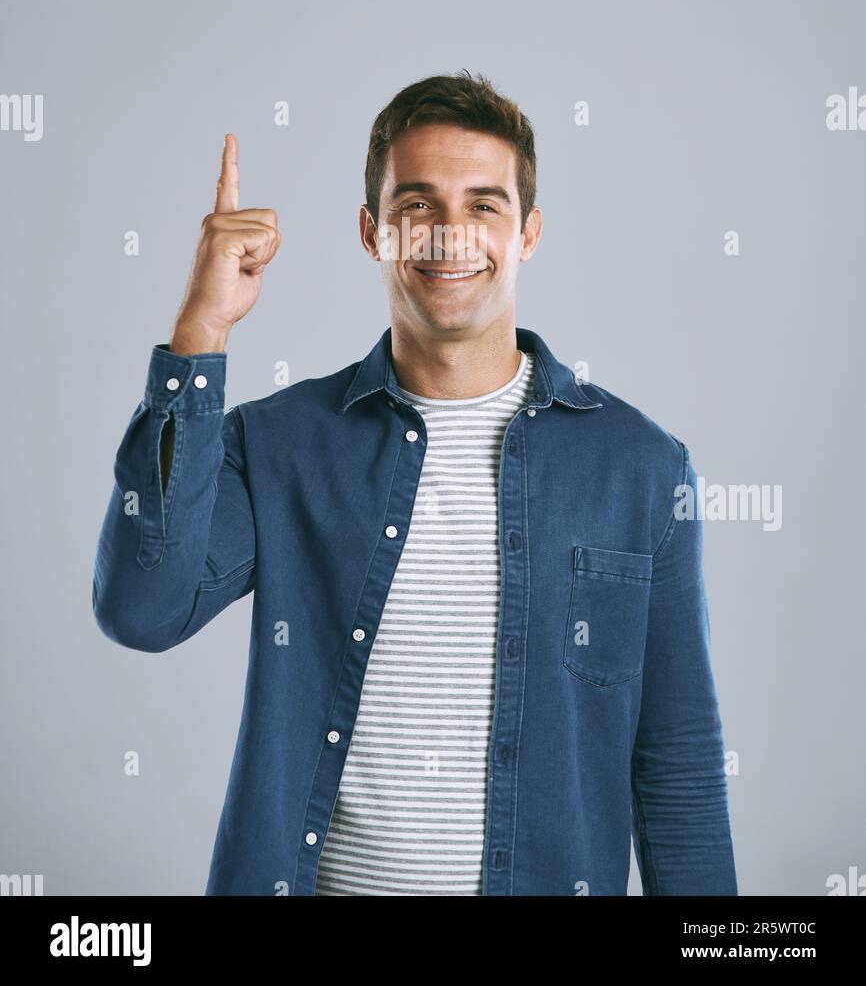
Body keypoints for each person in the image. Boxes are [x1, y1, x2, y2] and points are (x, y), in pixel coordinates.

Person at [92, 70, 738, 896]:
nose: (448, 234)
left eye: (483, 205)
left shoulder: (641, 469)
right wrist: (200, 333)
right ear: (373, 232)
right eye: (418, 205)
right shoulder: (282, 441)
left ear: (529, 232)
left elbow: (676, 764)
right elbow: (141, 610)